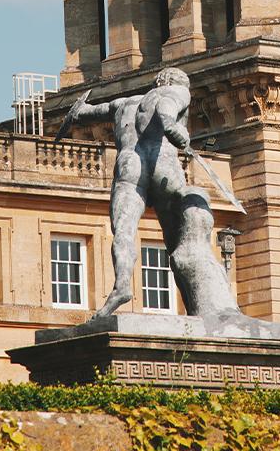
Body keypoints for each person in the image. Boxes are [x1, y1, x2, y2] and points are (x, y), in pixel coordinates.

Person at [57, 67, 198, 319]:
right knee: (177, 239)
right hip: (161, 162)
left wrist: (77, 113)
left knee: (123, 231)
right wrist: (172, 127)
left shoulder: (123, 103)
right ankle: (193, 305)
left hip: (129, 164)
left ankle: (122, 284)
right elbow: (167, 108)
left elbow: (86, 112)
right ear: (172, 82)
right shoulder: (175, 91)